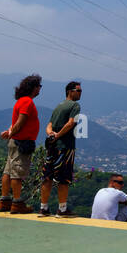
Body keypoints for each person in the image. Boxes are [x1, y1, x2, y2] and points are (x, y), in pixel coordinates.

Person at [0, 74, 42, 215]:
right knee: (16, 173)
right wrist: (11, 133)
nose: (40, 89)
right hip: (21, 142)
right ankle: (17, 204)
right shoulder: (27, 102)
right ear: (33, 88)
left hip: (15, 141)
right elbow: (21, 122)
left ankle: (4, 201)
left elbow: (15, 123)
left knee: (8, 171)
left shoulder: (20, 101)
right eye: (39, 86)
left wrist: (9, 132)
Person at [39, 81, 81, 217]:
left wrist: (51, 134)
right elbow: (70, 124)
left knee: (47, 176)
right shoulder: (75, 106)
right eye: (78, 90)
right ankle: (62, 209)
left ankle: (43, 208)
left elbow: (49, 125)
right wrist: (58, 136)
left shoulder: (58, 106)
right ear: (70, 91)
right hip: (65, 146)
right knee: (64, 178)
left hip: (52, 147)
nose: (80, 93)